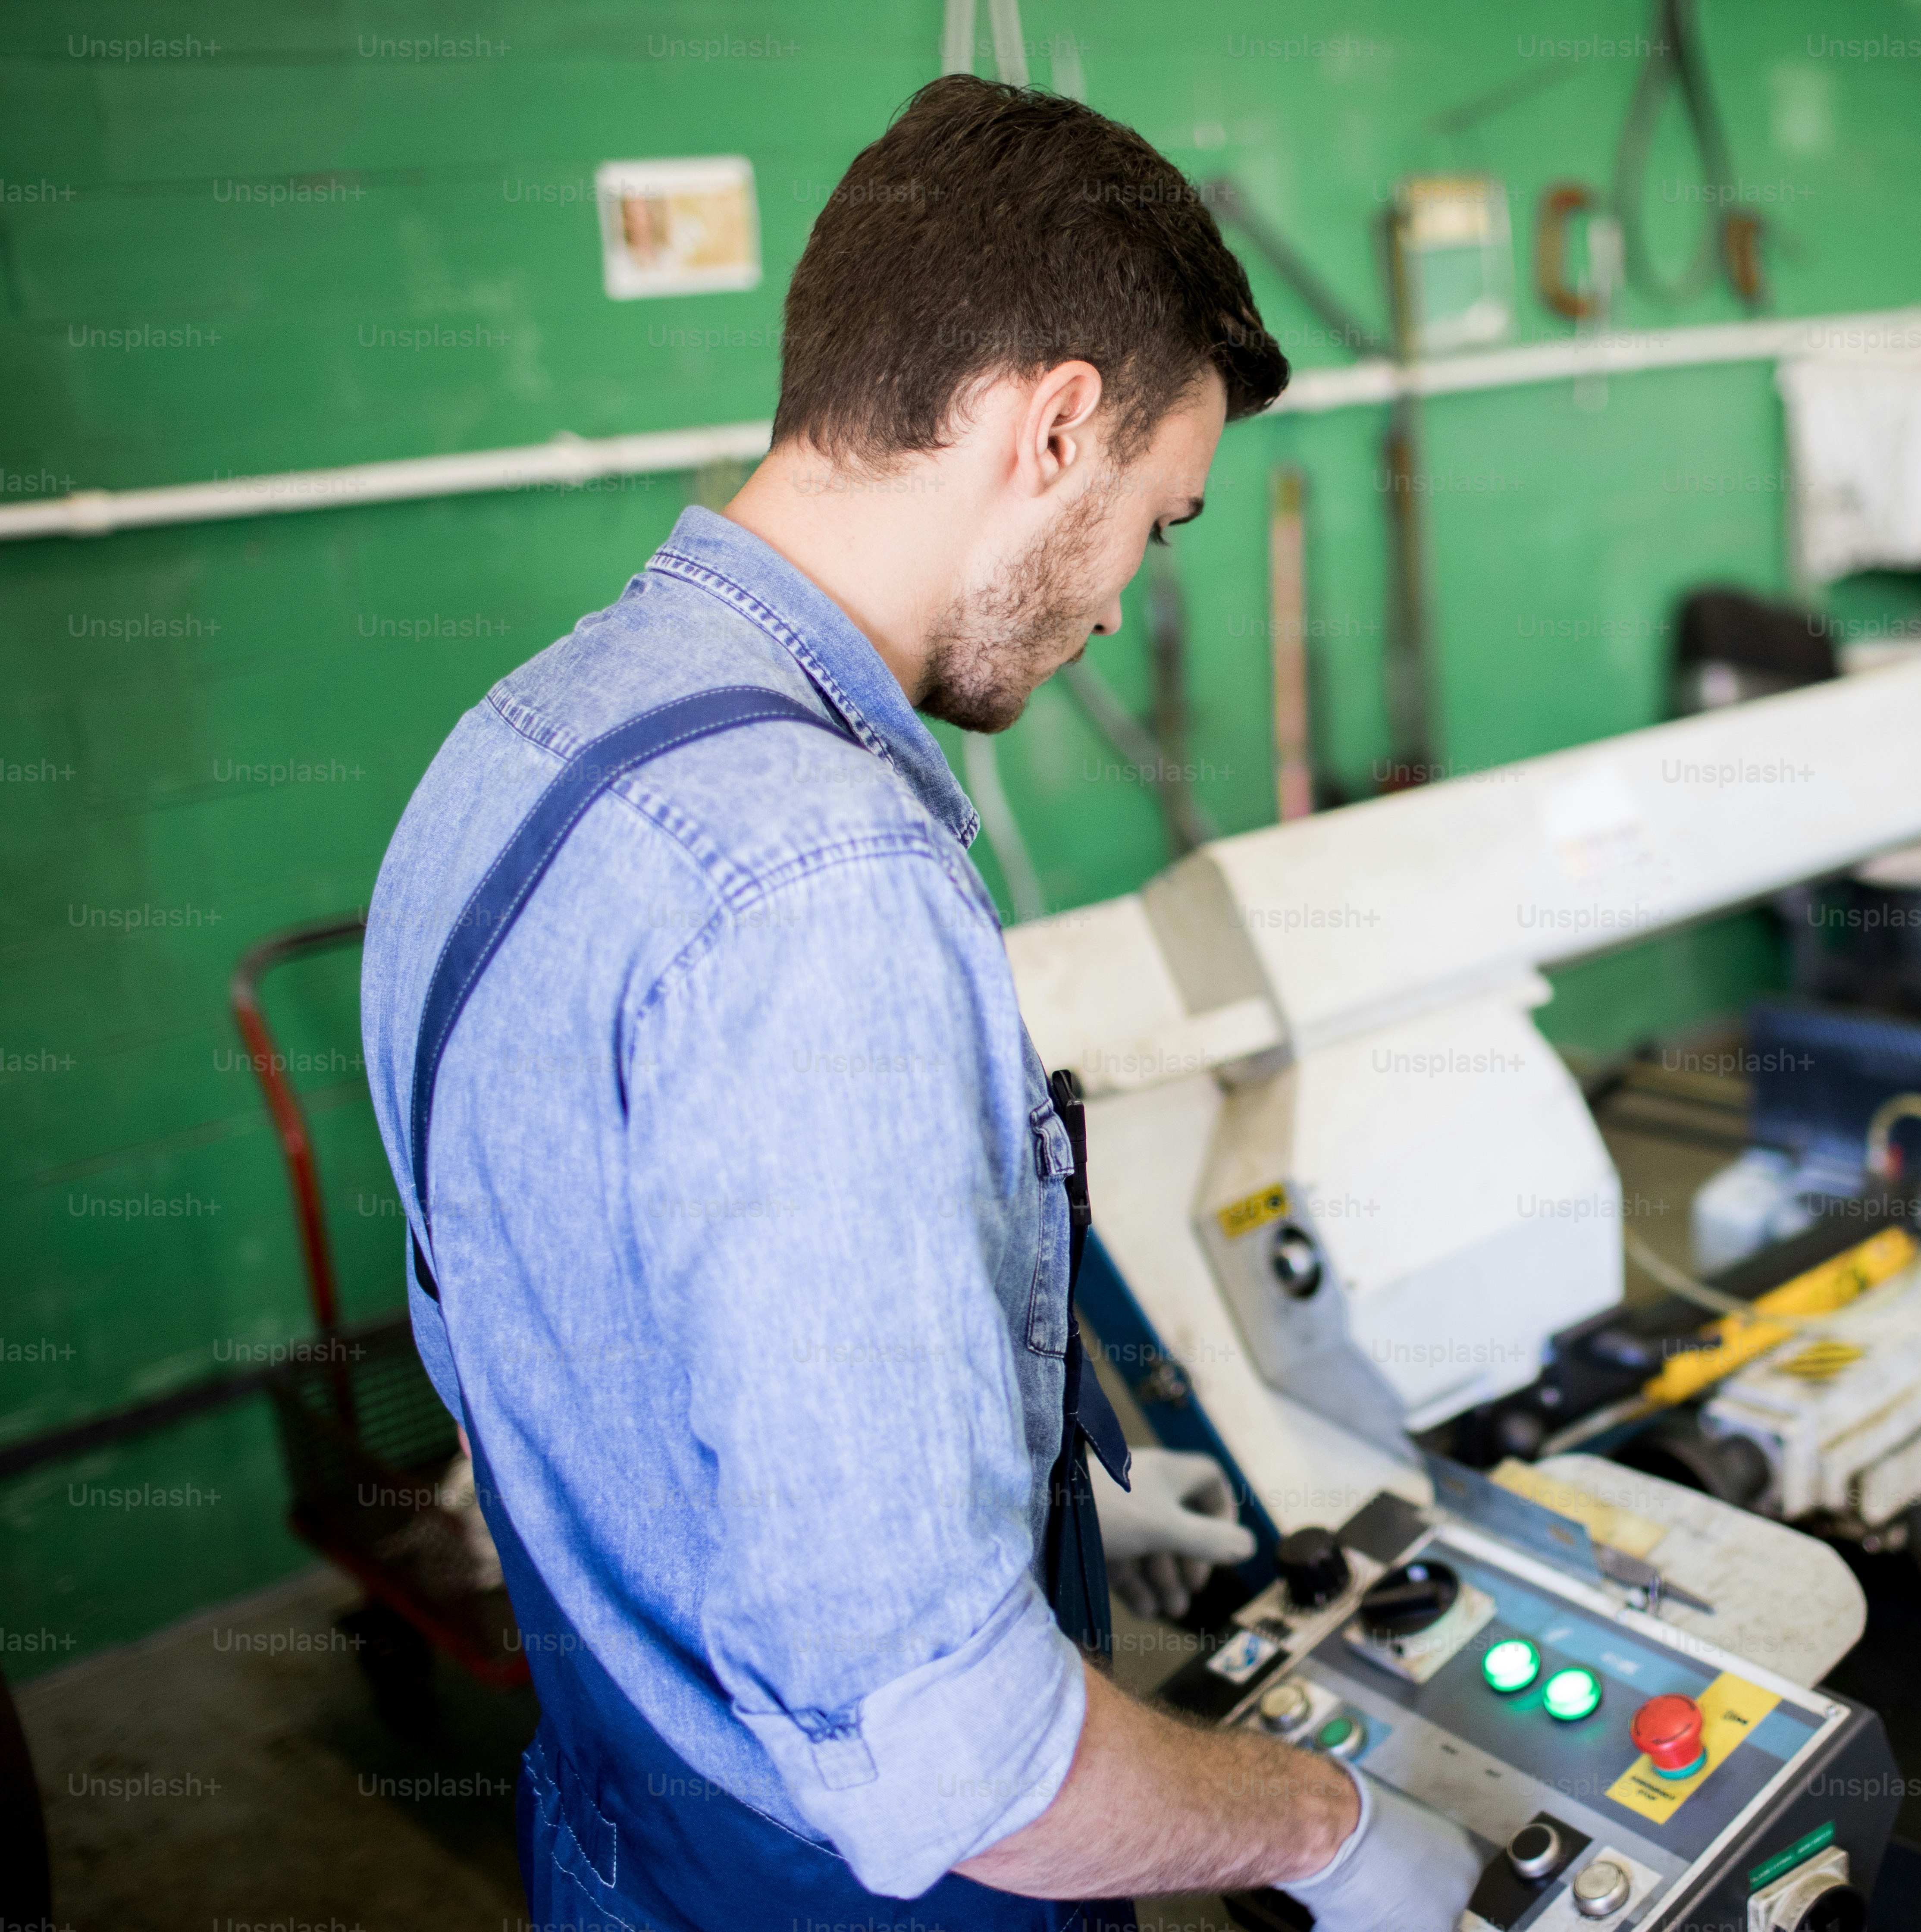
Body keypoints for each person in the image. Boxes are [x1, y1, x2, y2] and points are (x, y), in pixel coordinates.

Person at [358, 74, 1479, 1931]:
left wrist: (1026, 1509)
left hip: (620, 1840)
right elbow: (954, 1764)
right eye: (1161, 519)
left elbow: (586, 1359)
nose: (1120, 601)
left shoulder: (520, 738)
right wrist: (1325, 1829)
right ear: (1055, 428)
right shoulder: (823, 889)